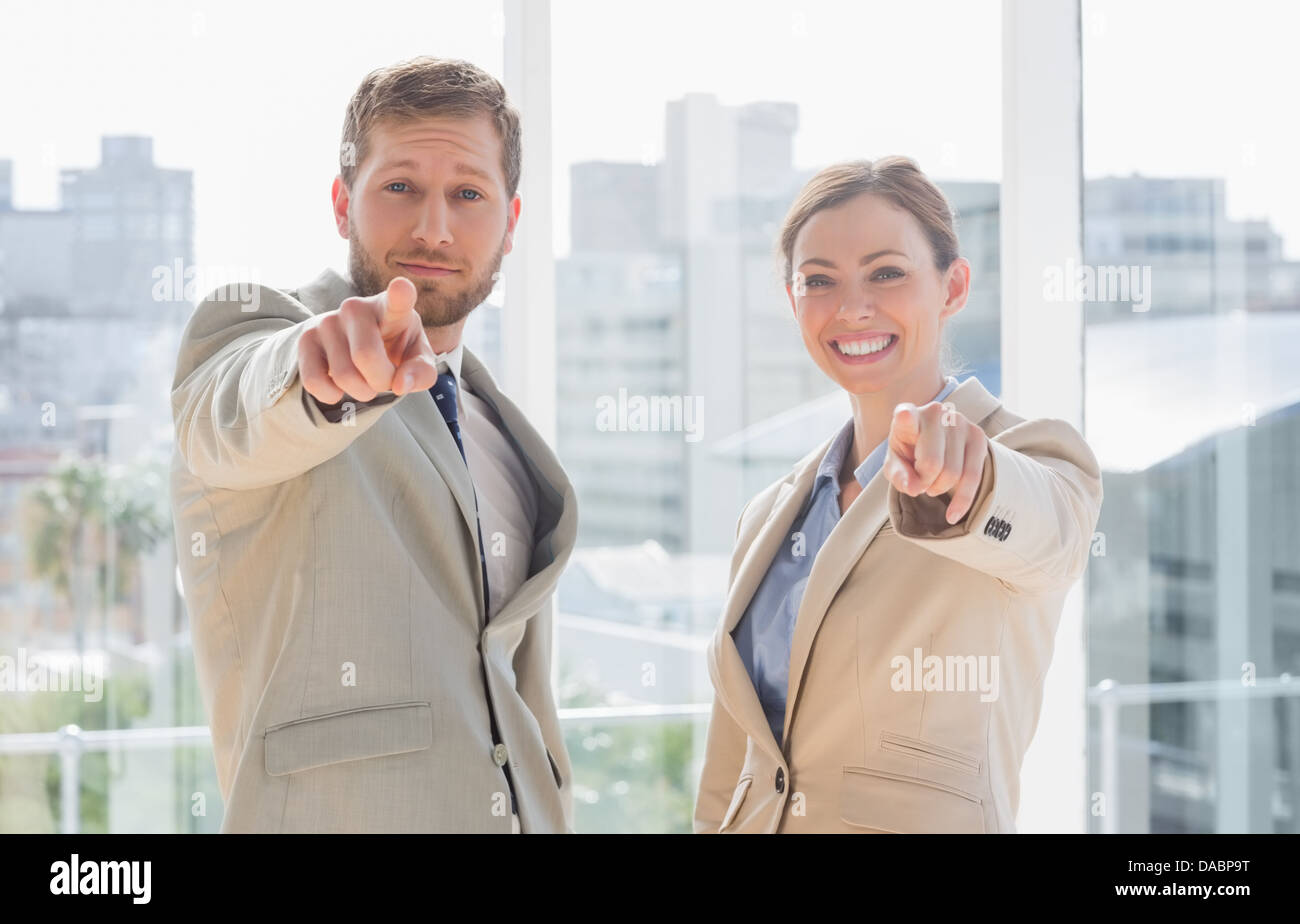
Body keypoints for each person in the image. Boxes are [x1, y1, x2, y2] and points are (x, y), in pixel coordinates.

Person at [170, 57, 575, 833]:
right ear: (341, 202)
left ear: (511, 223)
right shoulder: (259, 335)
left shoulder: (498, 426)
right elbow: (239, 411)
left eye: (467, 193)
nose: (433, 227)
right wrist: (322, 373)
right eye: (399, 188)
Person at [694, 156, 1104, 833]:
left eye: (886, 273)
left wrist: (972, 484)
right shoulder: (768, 514)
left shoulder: (1028, 456)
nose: (853, 306)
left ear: (954, 286)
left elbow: (1047, 536)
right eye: (819, 281)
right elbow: (733, 761)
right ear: (795, 303)